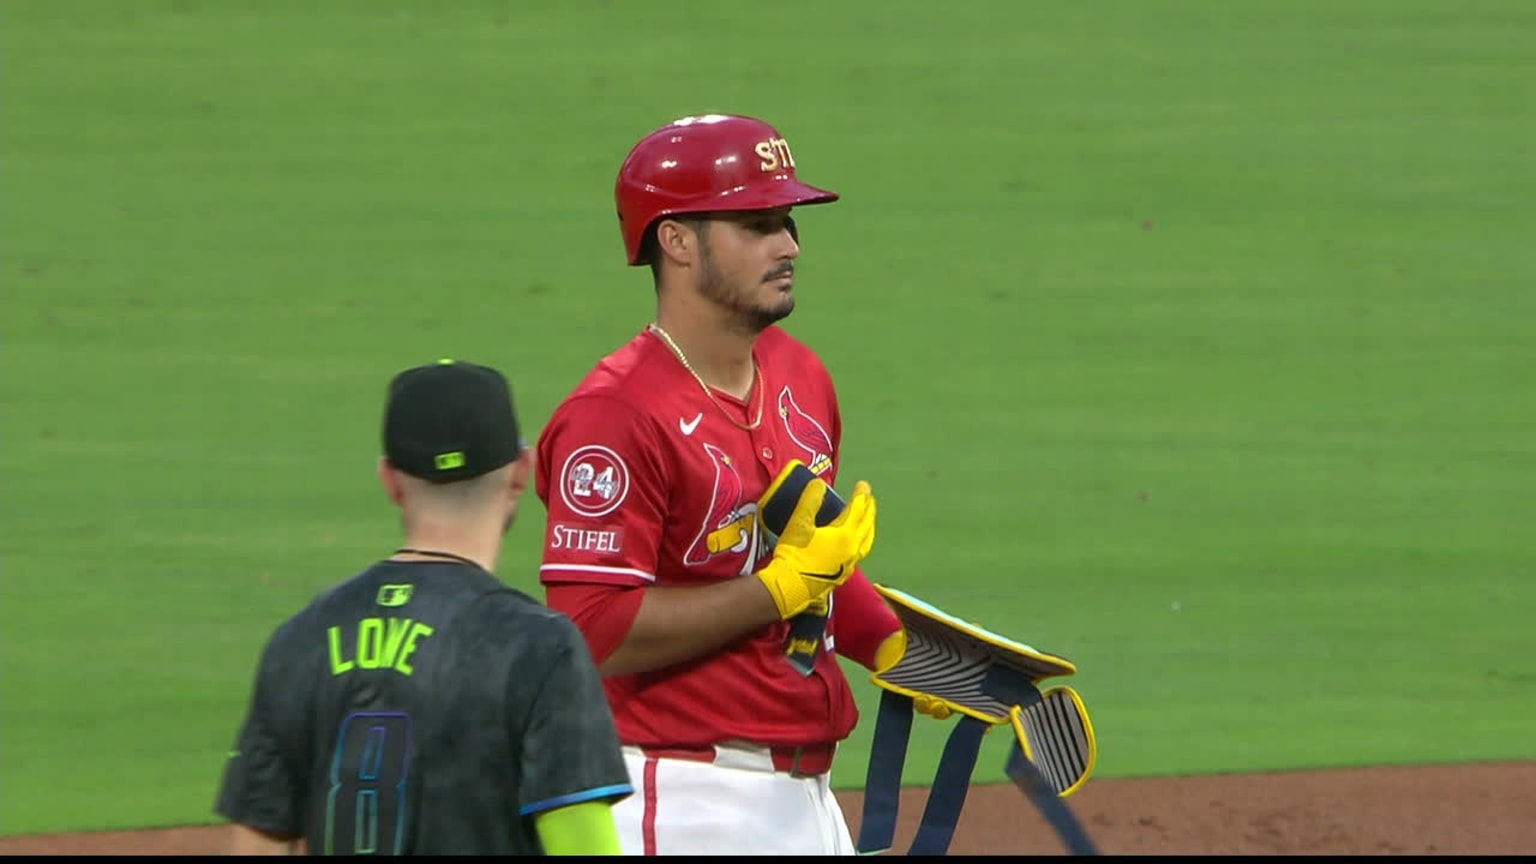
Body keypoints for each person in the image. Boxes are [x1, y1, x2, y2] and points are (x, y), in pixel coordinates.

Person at [533, 113, 909, 856]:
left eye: (789, 222)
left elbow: (806, 567)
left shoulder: (801, 377)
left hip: (808, 794)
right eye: (758, 223)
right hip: (682, 796)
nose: (789, 244)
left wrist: (903, 650)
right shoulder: (615, 417)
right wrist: (777, 591)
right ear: (675, 240)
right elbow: (591, 634)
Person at [214, 358, 633, 855]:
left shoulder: (299, 641)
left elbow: (257, 843)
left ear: (390, 480)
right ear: (521, 472)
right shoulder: (540, 648)